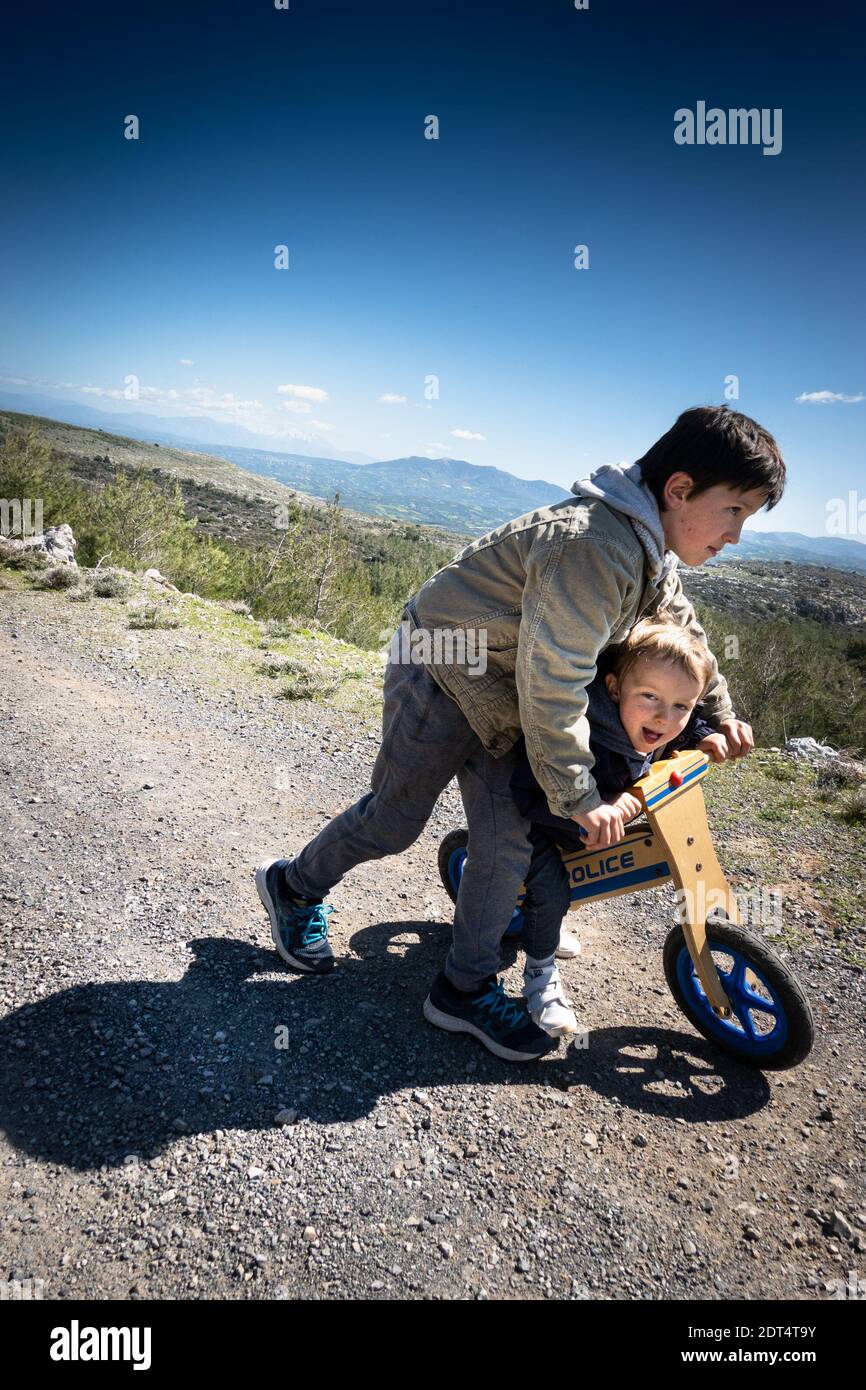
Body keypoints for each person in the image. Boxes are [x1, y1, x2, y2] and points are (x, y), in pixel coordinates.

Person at [255, 405, 783, 1062]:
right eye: (735, 511)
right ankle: (294, 885)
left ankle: (461, 990)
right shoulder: (593, 547)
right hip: (444, 673)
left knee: (508, 845)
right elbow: (556, 679)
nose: (736, 534)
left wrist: (719, 717)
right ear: (679, 492)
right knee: (394, 822)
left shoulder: (653, 557)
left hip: (509, 698)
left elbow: (688, 644)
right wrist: (580, 795)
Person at [507, 617, 731, 1037]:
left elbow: (680, 726)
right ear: (614, 689)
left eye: (681, 706)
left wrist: (703, 733)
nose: (664, 719)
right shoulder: (583, 735)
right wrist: (589, 807)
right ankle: (540, 973)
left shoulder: (653, 723)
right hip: (540, 819)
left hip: (587, 822)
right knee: (552, 890)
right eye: (650, 697)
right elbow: (531, 788)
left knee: (600, 864)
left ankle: (547, 924)